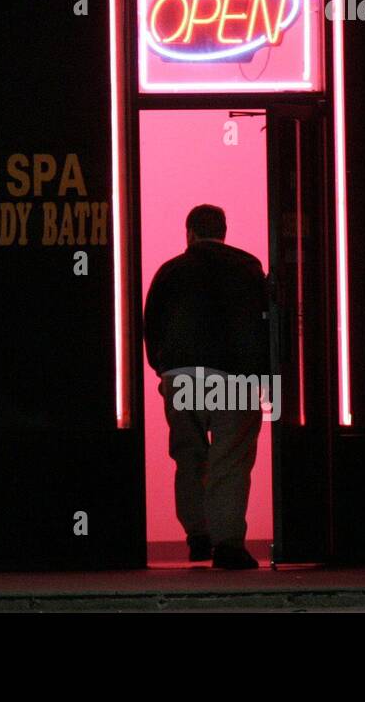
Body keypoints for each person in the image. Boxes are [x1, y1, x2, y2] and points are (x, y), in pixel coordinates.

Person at [143, 204, 268, 570]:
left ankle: (198, 537)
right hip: (234, 377)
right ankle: (227, 544)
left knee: (189, 456)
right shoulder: (248, 268)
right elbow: (265, 325)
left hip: (180, 375)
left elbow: (152, 324)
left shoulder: (171, 271)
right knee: (230, 459)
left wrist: (163, 368)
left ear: (189, 233)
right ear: (224, 231)